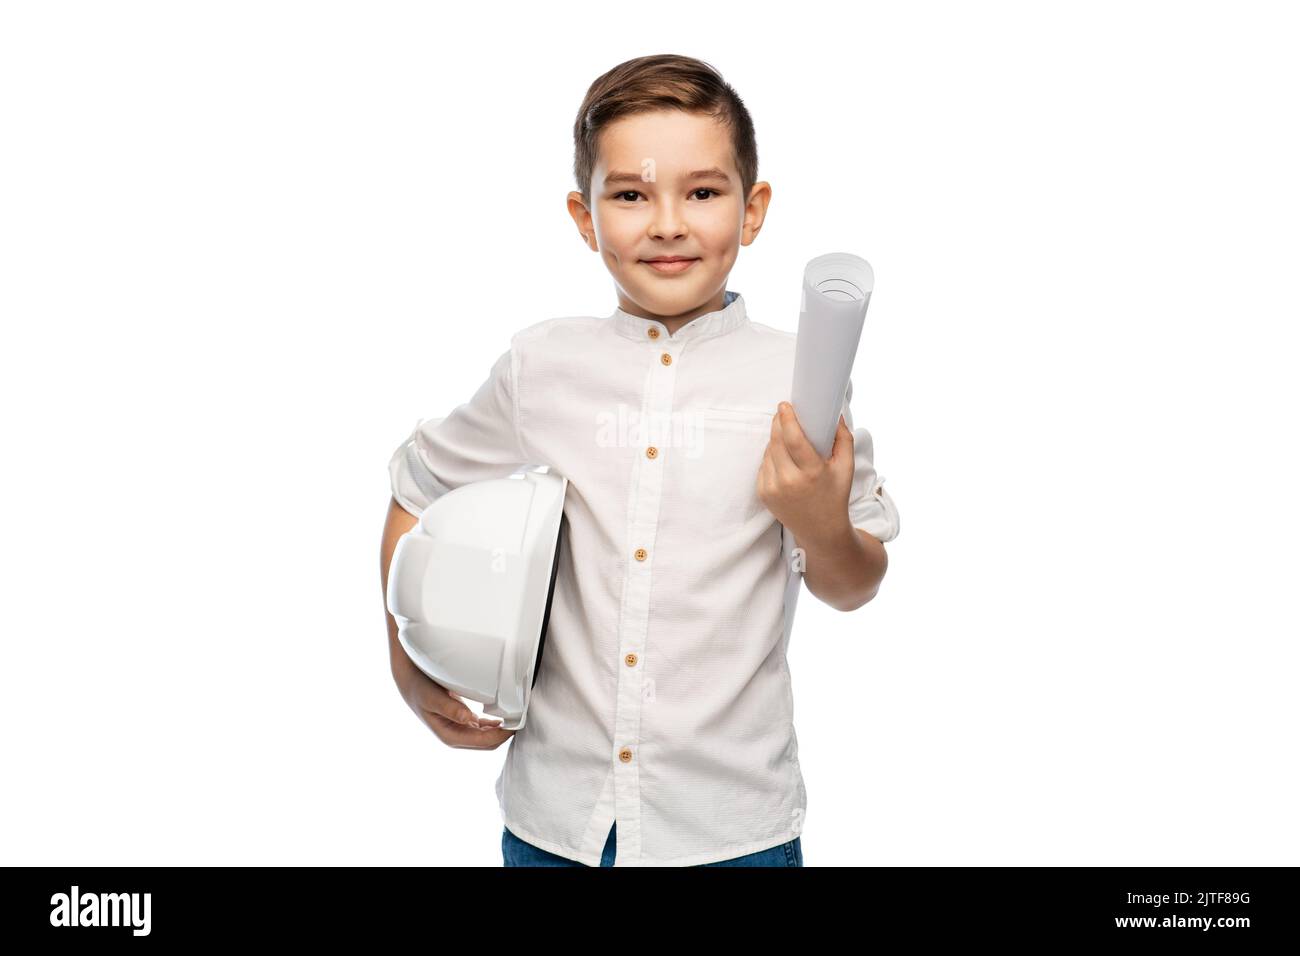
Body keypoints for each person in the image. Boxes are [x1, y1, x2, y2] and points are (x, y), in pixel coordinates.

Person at [379, 53, 900, 867]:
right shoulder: (542, 367)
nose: (667, 223)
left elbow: (854, 582)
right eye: (630, 194)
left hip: (734, 830)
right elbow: (417, 483)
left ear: (752, 208)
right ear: (585, 219)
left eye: (702, 191)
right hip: (557, 825)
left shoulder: (801, 380)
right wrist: (410, 668)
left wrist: (820, 522)